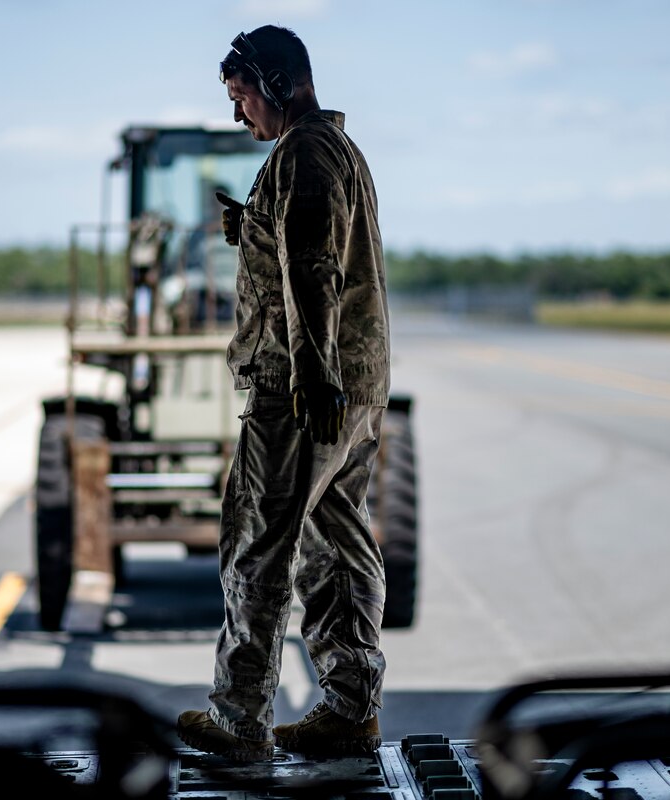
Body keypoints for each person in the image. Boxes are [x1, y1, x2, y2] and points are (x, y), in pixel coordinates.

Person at [177, 26, 392, 762]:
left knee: (256, 548)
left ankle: (239, 719)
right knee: (337, 546)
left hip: (304, 390)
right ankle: (349, 707)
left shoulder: (301, 153)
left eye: (242, 97)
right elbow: (310, 247)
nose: (242, 116)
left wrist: (310, 376)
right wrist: (253, 227)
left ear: (278, 83)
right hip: (354, 386)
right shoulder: (335, 152)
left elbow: (311, 270)